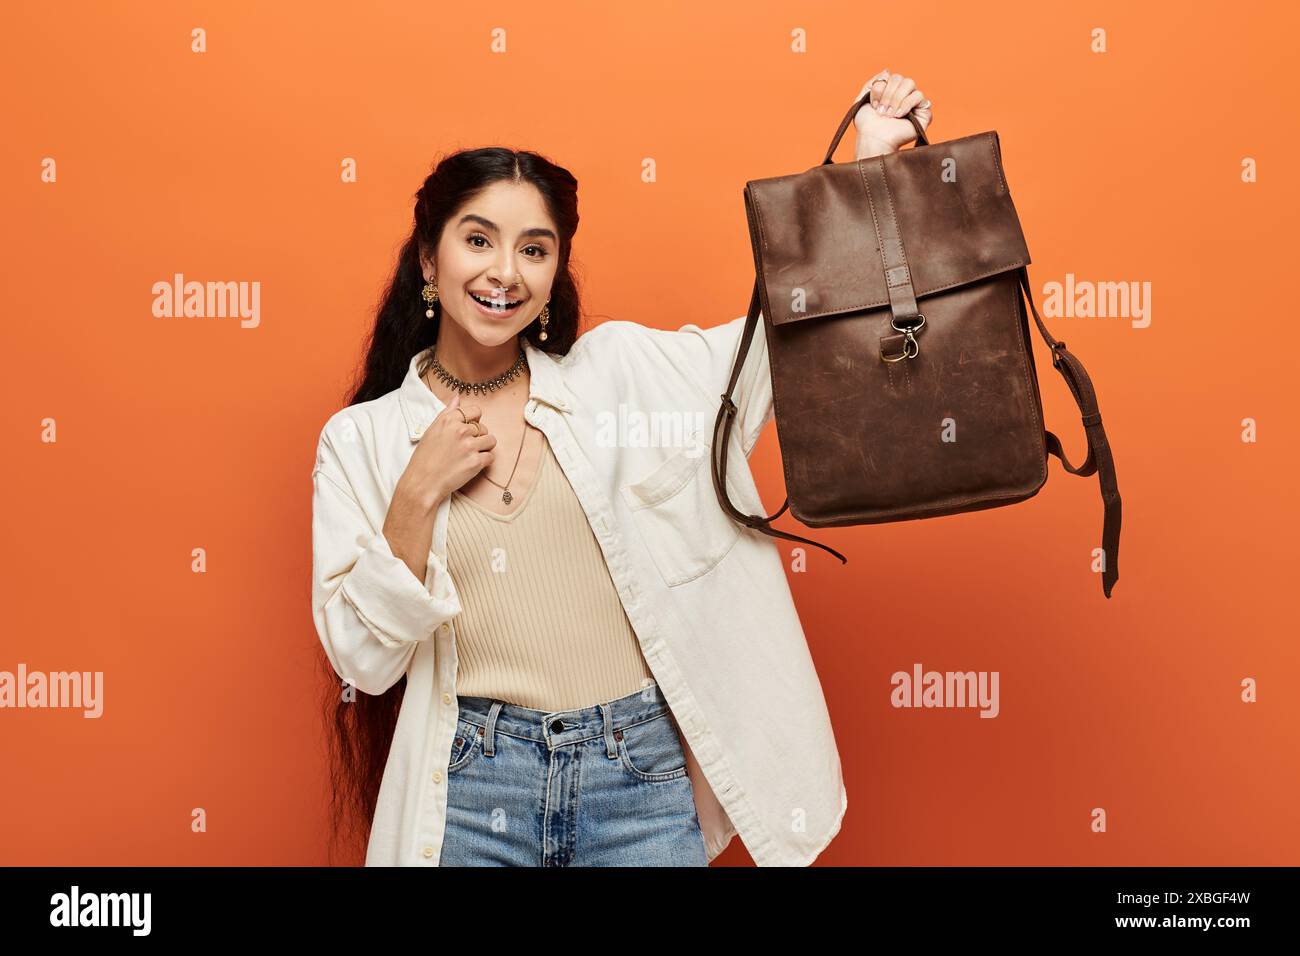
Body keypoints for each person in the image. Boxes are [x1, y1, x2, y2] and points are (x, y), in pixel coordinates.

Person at [311, 70, 933, 866]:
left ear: (554, 272)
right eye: (478, 239)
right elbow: (362, 660)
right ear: (428, 263)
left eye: (534, 250)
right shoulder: (360, 442)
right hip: (470, 792)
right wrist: (416, 495)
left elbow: (780, 336)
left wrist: (870, 170)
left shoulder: (624, 376)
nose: (505, 271)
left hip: (635, 779)